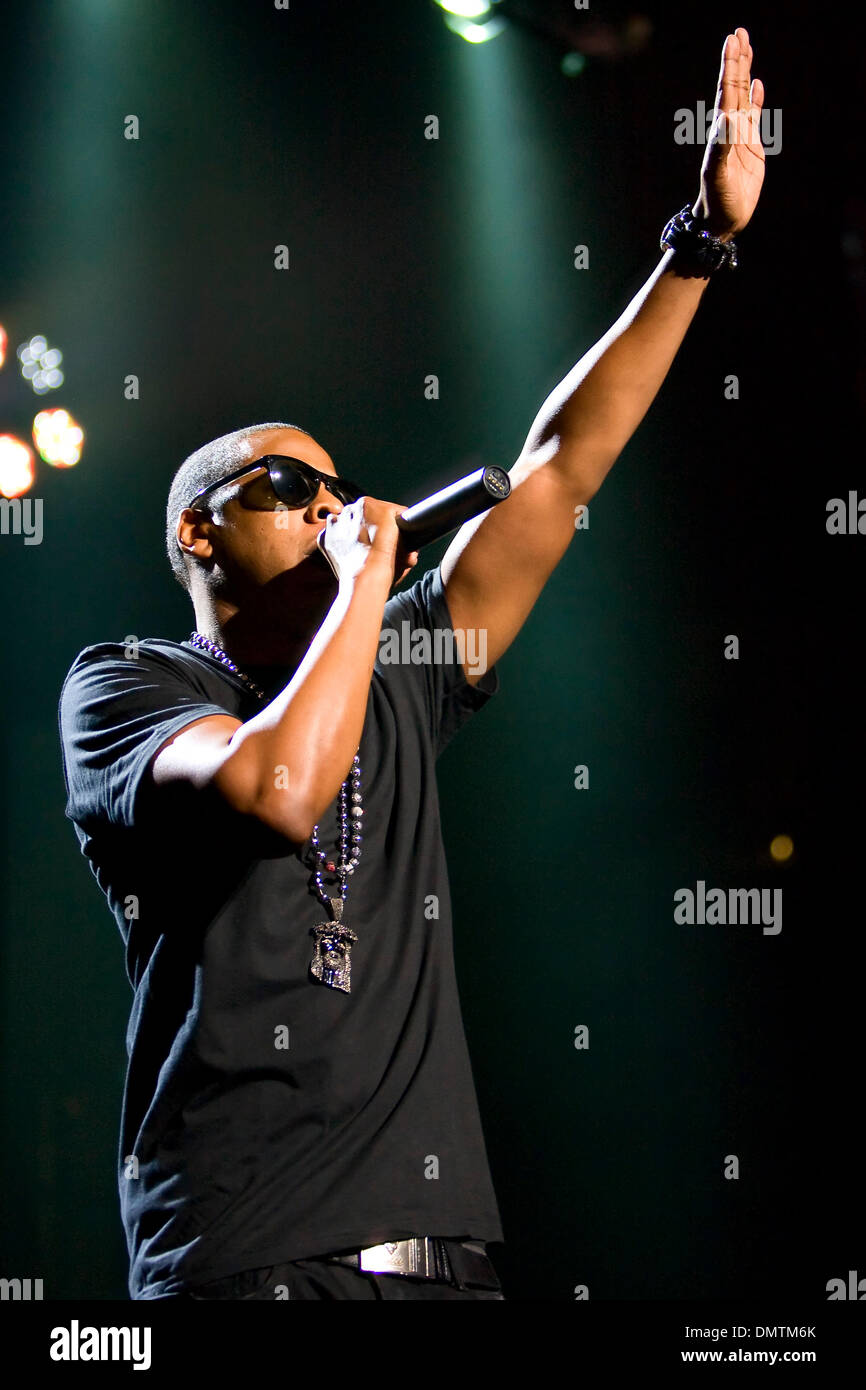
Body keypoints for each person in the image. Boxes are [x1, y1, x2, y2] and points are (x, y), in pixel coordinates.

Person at [58, 29, 765, 1300]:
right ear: (196, 529)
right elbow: (276, 786)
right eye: (287, 487)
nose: (327, 507)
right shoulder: (128, 687)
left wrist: (696, 242)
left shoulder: (401, 669)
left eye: (337, 488)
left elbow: (559, 469)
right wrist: (370, 577)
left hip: (444, 1268)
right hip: (249, 1257)